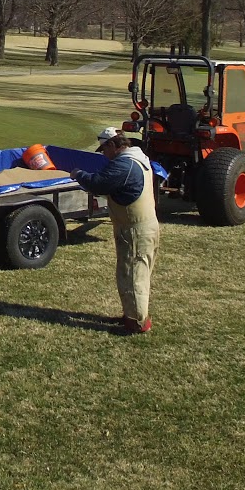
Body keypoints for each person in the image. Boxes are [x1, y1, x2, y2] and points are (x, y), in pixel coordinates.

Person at [72, 125, 160, 334]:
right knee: (135, 272)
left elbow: (99, 183)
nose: (104, 155)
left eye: (104, 149)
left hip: (134, 230)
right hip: (142, 227)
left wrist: (79, 174)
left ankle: (138, 323)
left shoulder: (123, 165)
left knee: (133, 275)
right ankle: (132, 314)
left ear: (113, 145)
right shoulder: (139, 158)